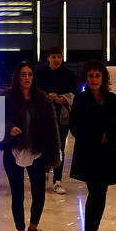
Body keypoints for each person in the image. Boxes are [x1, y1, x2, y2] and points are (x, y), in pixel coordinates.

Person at [69, 59, 116, 231]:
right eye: (91, 75)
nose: (94, 79)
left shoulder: (111, 99)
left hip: (106, 154)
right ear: (86, 77)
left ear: (103, 78)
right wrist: (97, 136)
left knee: (99, 195)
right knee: (96, 193)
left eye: (97, 75)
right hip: (88, 154)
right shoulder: (81, 99)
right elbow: (75, 127)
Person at [1, 60, 60, 231]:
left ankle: (33, 227)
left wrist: (52, 156)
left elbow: (52, 128)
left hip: (37, 151)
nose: (26, 78)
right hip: (14, 150)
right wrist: (10, 129)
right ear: (17, 77)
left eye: (29, 74)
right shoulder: (7, 98)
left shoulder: (42, 99)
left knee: (39, 193)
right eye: (23, 74)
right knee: (17, 194)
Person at [34, 47, 76, 194]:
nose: (57, 59)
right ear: (48, 58)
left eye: (59, 56)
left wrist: (64, 98)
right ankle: (44, 173)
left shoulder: (69, 75)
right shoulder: (40, 74)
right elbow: (35, 92)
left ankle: (57, 180)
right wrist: (47, 96)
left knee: (60, 148)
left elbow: (74, 93)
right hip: (44, 116)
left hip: (62, 117)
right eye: (54, 56)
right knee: (44, 146)